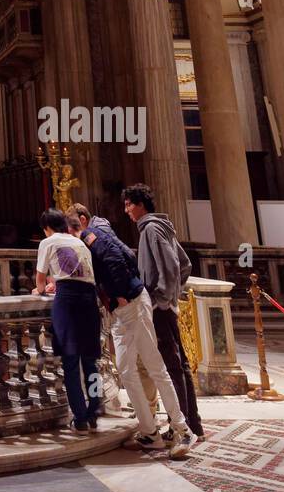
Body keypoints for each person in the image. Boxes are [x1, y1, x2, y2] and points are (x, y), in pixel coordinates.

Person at [65, 209, 196, 460]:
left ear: (79, 224)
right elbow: (126, 256)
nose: (70, 238)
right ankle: (150, 433)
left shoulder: (94, 237)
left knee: (155, 366)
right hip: (122, 309)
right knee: (126, 370)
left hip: (132, 304)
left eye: (70, 231)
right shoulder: (96, 237)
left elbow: (118, 260)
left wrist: (120, 294)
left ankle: (182, 429)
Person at [122, 184, 205, 440]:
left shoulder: (150, 230)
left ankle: (180, 426)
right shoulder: (162, 227)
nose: (126, 210)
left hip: (159, 309)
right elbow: (185, 264)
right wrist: (172, 296)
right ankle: (194, 423)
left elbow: (171, 267)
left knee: (171, 366)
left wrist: (161, 300)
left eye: (129, 204)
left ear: (141, 205)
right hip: (166, 306)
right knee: (180, 364)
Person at [32, 209, 102, 433]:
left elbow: (40, 278)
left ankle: (80, 418)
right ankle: (94, 412)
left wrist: (41, 289)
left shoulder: (48, 241)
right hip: (89, 298)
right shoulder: (78, 242)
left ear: (46, 227)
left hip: (69, 301)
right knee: (91, 360)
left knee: (71, 361)